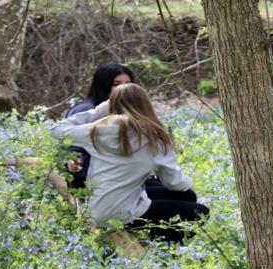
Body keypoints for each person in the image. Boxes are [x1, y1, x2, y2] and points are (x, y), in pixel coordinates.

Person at [49, 83, 208, 243]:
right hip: (123, 213)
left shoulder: (96, 130)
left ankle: (149, 238)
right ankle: (161, 249)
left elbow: (56, 129)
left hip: (95, 210)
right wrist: (189, 182)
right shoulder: (154, 137)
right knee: (199, 210)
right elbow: (174, 183)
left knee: (182, 195)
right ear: (146, 105)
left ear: (112, 105)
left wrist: (104, 108)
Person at [64, 63, 134, 189]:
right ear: (103, 86)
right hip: (92, 183)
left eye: (128, 84)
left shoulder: (124, 111)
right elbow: (73, 147)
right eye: (116, 84)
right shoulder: (86, 110)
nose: (124, 88)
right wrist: (76, 163)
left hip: (120, 178)